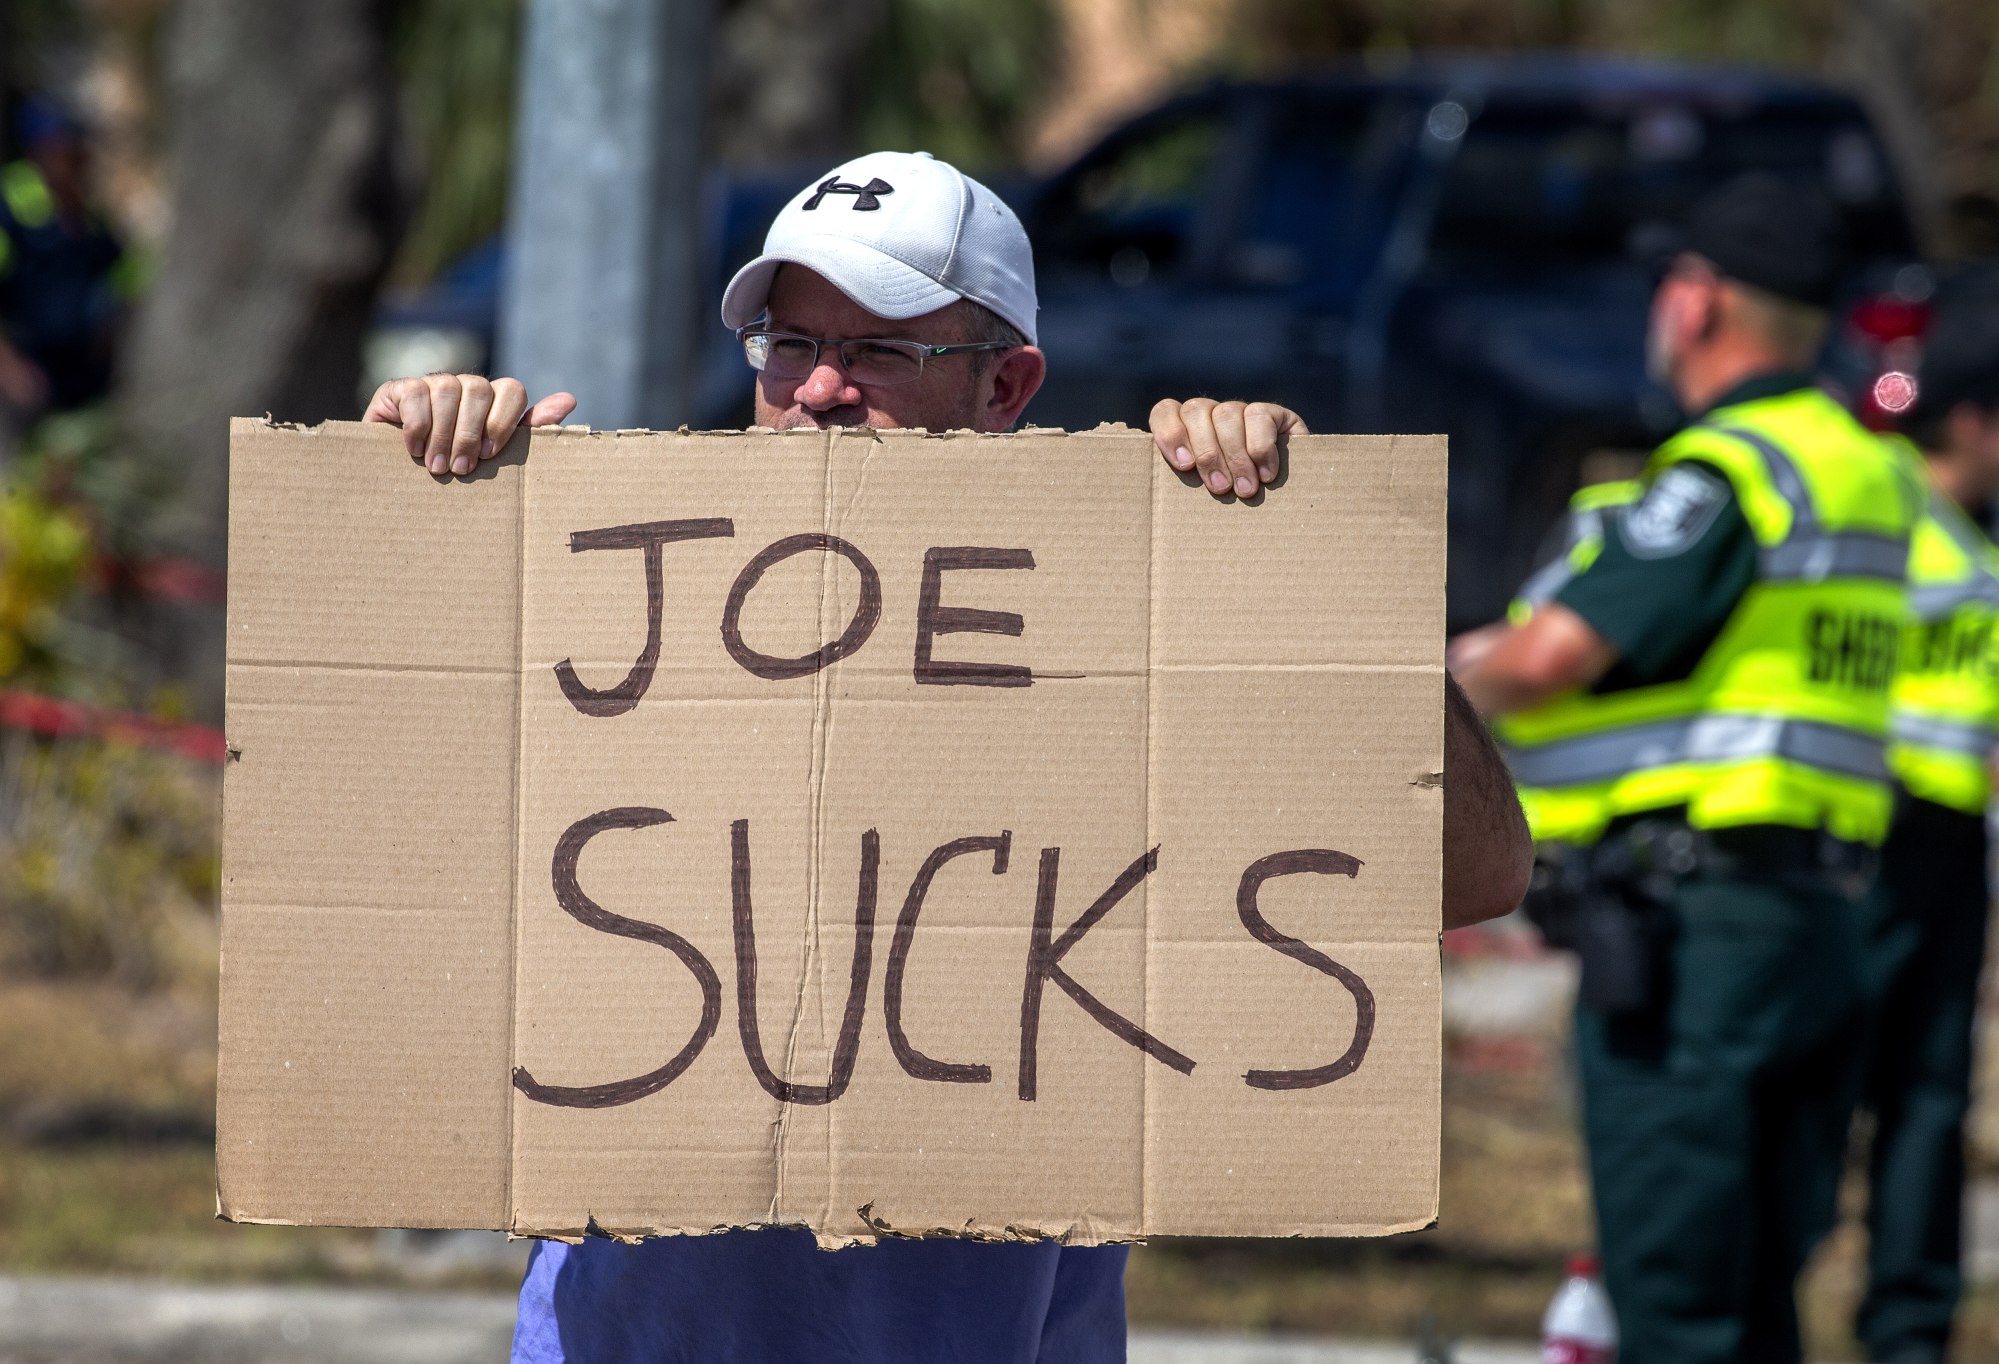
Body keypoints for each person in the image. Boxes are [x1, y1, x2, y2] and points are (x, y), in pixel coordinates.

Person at [363, 149, 1531, 1364]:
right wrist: (417, 499)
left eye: (878, 352)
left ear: (1007, 383)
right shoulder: (618, 603)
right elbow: (377, 829)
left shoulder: (1121, 622)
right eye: (787, 343)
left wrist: (1316, 561)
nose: (816, 390)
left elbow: (1476, 874)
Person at [1452, 175, 1921, 1364]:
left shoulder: (1722, 473)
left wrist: (1427, 679)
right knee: (1758, 1292)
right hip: (1816, 919)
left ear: (1699, 301)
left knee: (1674, 1301)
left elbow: (1555, 654)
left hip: (1695, 941)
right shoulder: (1860, 464)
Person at [1853, 267, 1999, 1364]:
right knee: (1853, 1098)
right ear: (1974, 420)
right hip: (1861, 839)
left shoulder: (1960, 526)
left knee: (1924, 1100)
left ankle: (1909, 1330)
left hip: (1940, 844)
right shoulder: (1886, 514)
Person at [0, 98, 129, 420]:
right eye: (66, 150)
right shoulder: (11, 205)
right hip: (27, 376)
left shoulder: (89, 211)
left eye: (79, 151)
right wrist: (10, 369)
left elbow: (122, 271)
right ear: (38, 151)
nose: (78, 160)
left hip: (87, 379)